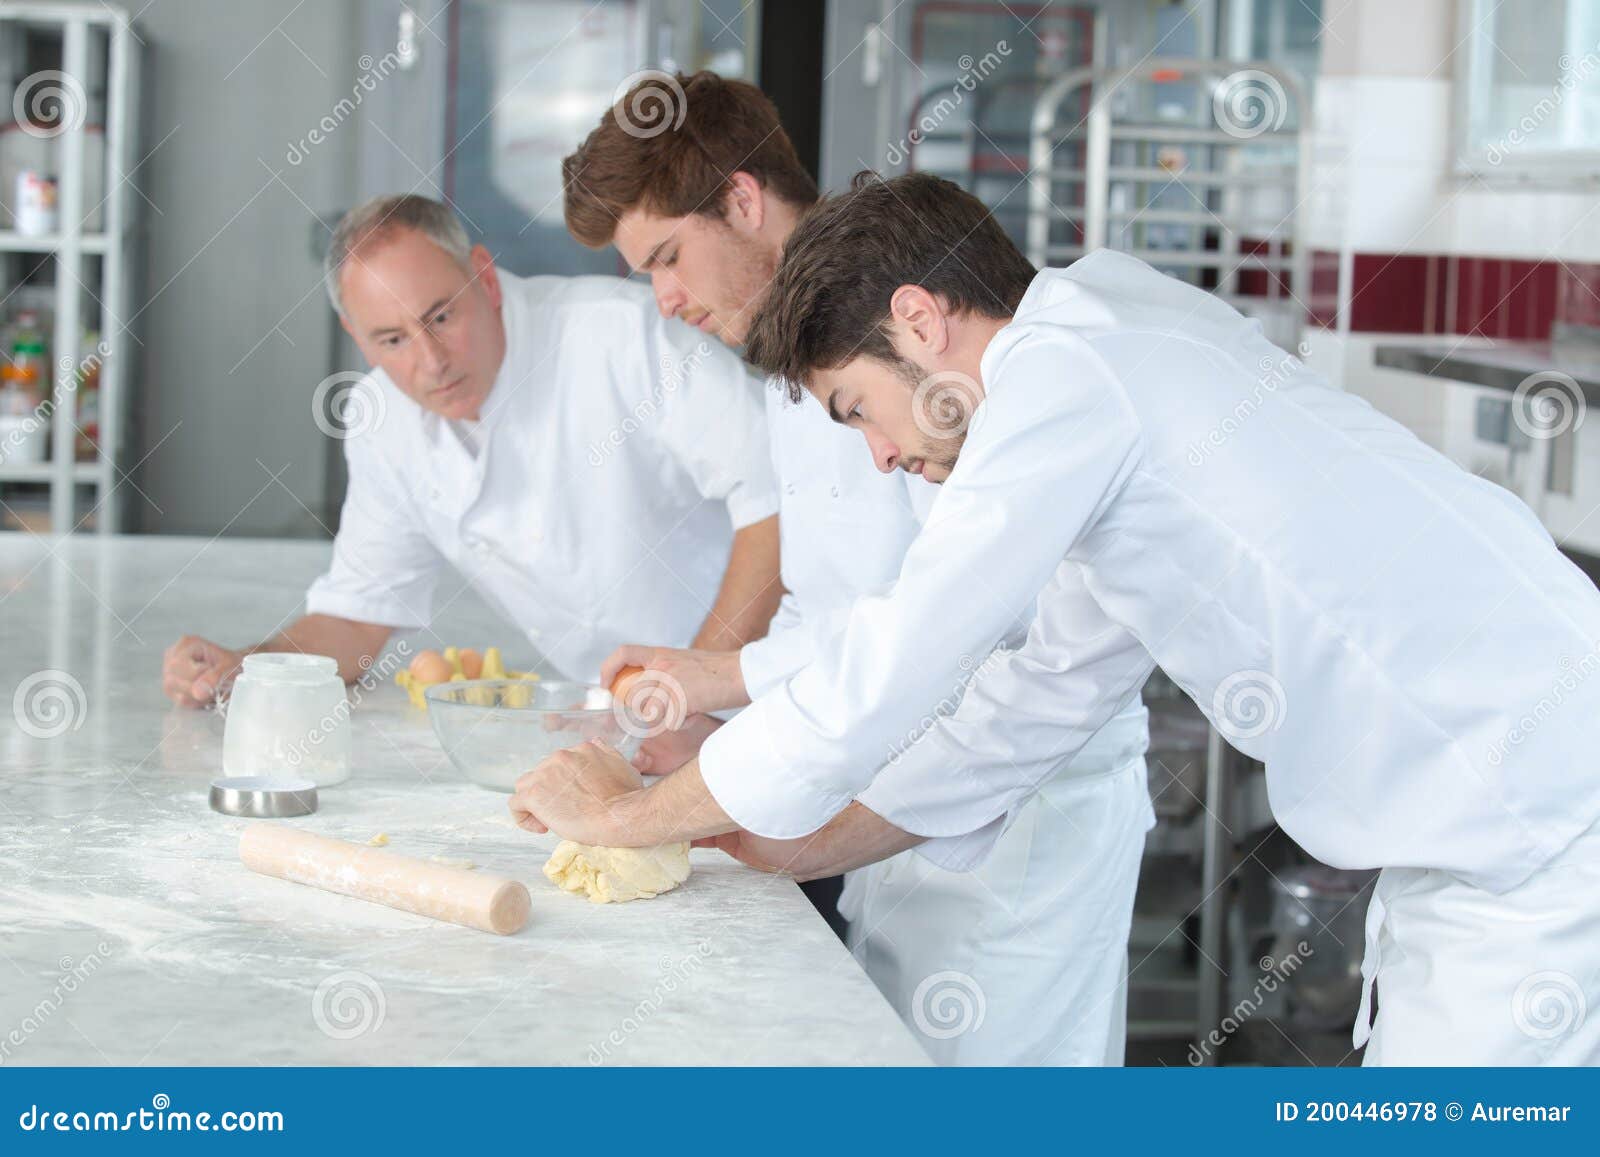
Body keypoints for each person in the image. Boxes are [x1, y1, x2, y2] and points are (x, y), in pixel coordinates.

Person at [510, 171, 1600, 1066]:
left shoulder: (1063, 381)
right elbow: (1031, 699)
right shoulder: (1101, 350)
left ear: (919, 319)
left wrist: (623, 821)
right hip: (1500, 827)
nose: (881, 453)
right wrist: (797, 840)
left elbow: (896, 660)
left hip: (1538, 821)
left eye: (859, 412)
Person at [560, 73, 1153, 1065]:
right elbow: (844, 607)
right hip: (884, 803)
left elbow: (939, 635)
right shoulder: (792, 367)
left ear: (743, 201)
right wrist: (718, 689)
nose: (664, 301)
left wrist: (662, 803)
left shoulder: (911, 341)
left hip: (1016, 823)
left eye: (666, 257)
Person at [161, 194, 781, 704]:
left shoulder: (623, 336)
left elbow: (776, 499)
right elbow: (360, 614)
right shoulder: (381, 422)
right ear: (357, 338)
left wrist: (694, 690)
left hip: (780, 675)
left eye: (440, 318)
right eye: (392, 339)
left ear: (484, 277)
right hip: (633, 717)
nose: (430, 363)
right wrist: (248, 667)